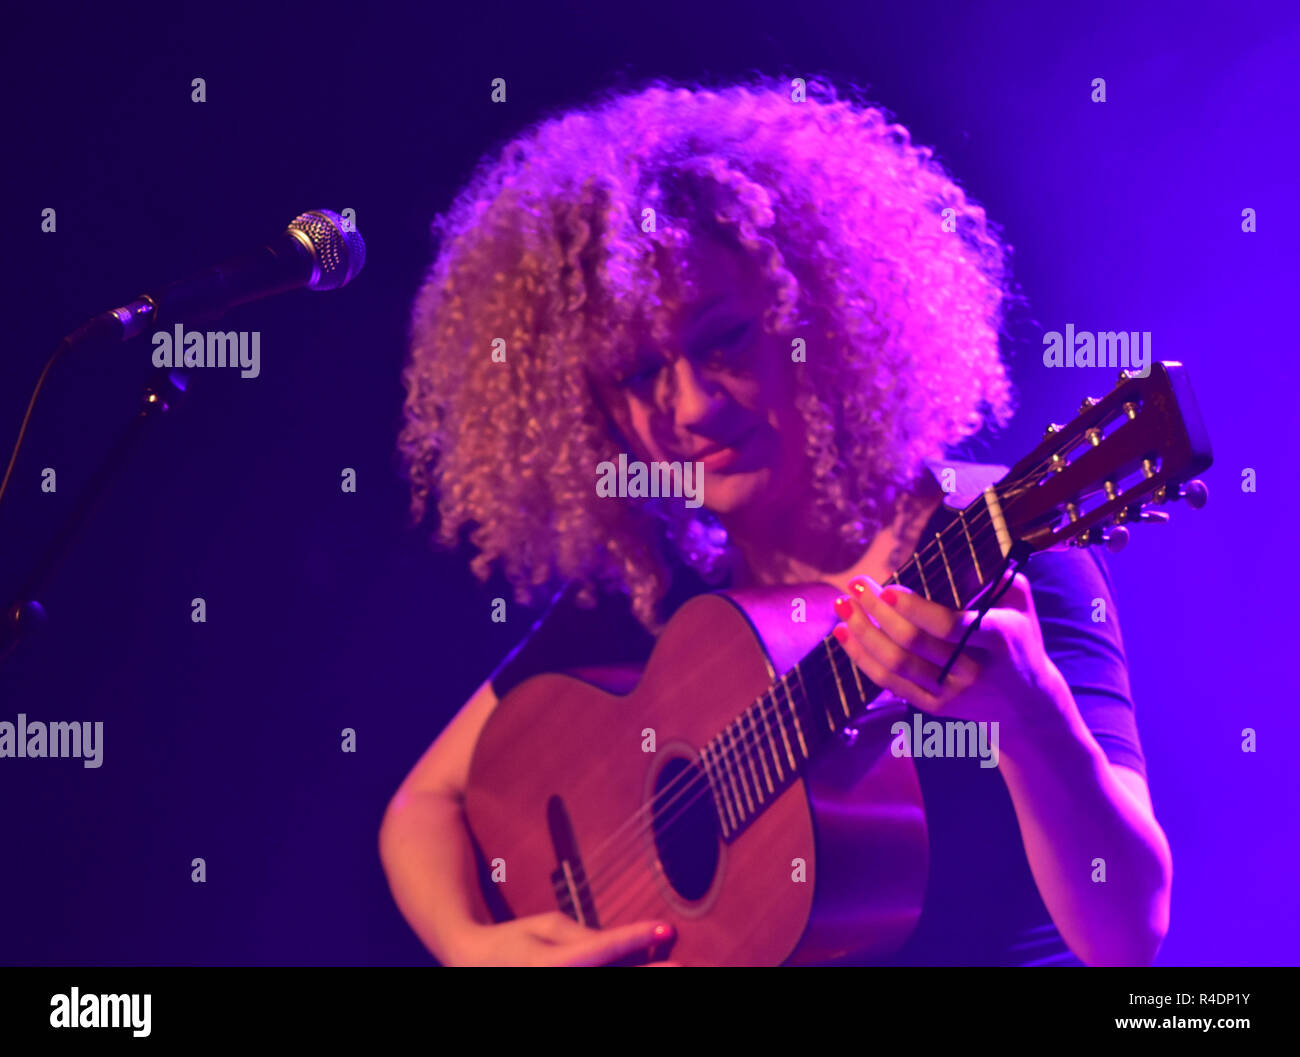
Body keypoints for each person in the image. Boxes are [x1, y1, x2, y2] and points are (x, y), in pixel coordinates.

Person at [379, 77, 1173, 967]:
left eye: (724, 341)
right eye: (637, 373)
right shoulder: (653, 590)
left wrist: (1031, 714)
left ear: (819, 312)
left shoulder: (995, 549)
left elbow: (1128, 934)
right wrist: (474, 949)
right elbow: (421, 808)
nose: (694, 407)